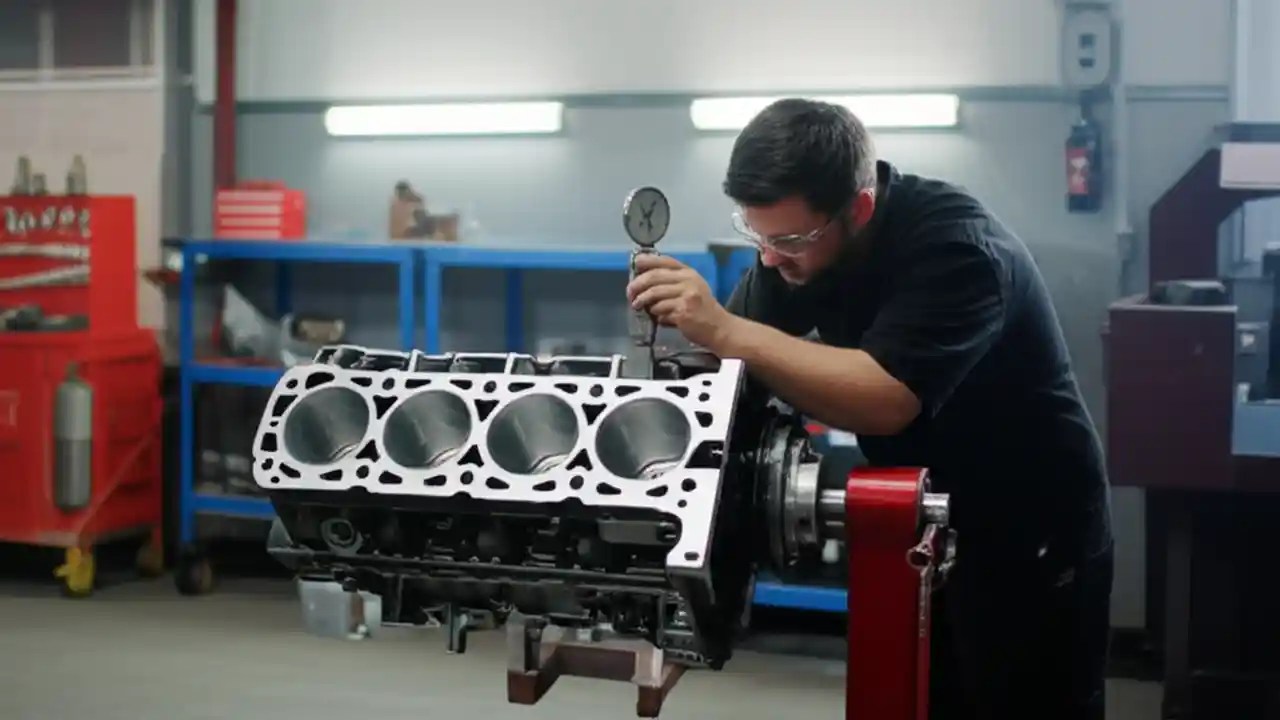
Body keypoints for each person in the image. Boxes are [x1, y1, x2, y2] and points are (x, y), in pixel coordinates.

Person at [625, 98, 1113, 720]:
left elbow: (886, 400)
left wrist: (722, 329)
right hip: (922, 521)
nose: (770, 258)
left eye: (788, 240)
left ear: (858, 208)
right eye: (758, 236)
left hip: (1030, 528)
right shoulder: (797, 250)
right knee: (925, 700)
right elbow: (737, 368)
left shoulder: (957, 249)